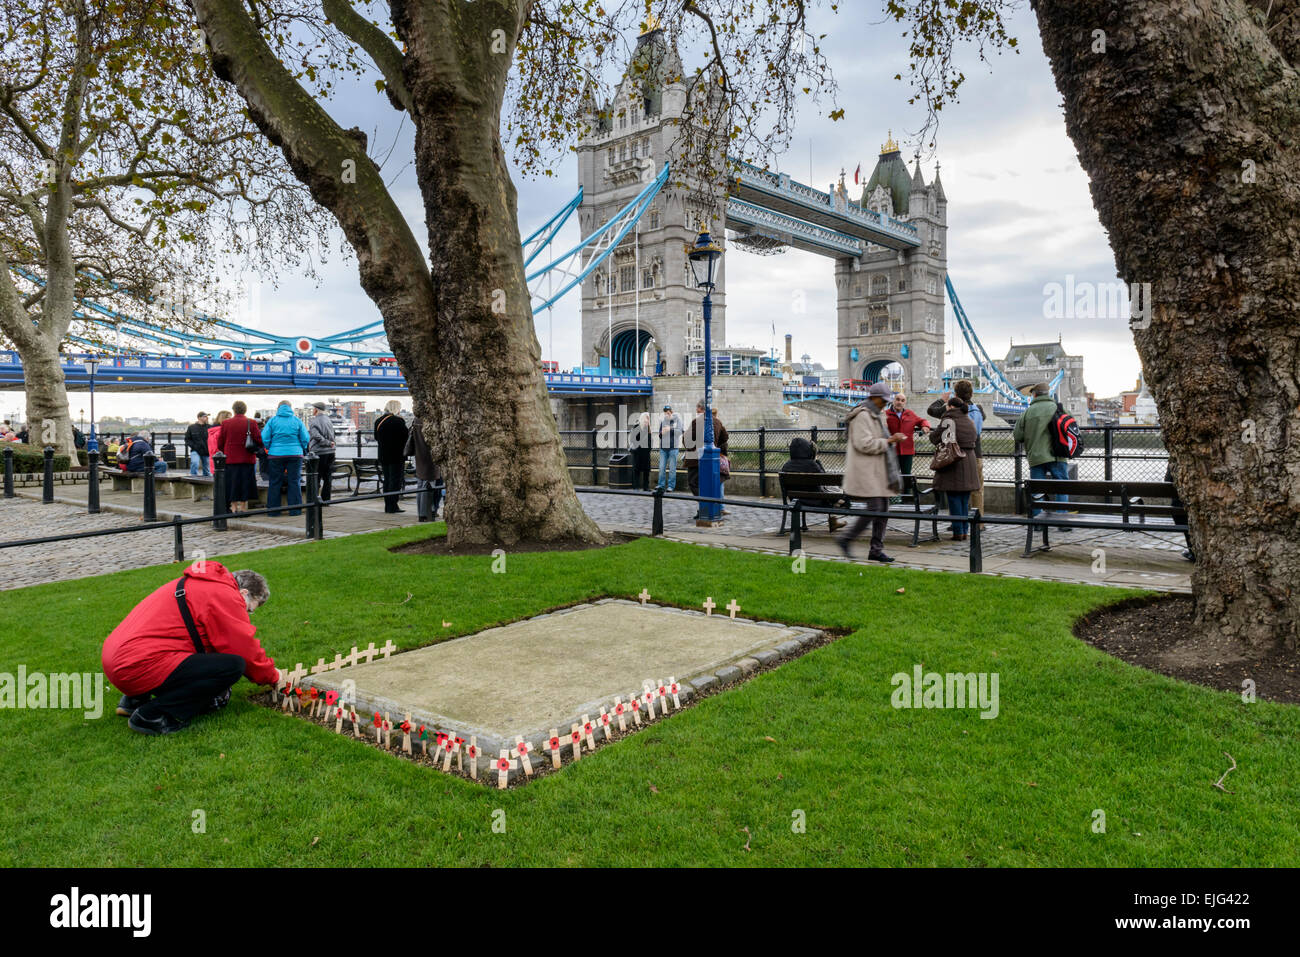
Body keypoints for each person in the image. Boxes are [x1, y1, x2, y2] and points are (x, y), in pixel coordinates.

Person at [101, 562, 278, 735]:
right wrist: (272, 675)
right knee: (233, 666)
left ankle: (134, 700)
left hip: (117, 658)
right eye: (249, 609)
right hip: (135, 665)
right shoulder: (225, 595)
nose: (246, 614)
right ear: (244, 593)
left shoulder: (201, 584)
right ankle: (152, 715)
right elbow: (243, 649)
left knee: (198, 659)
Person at [836, 381, 904, 562]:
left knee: (883, 509)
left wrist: (889, 440)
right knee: (875, 508)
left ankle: (876, 550)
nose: (885, 404)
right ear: (873, 398)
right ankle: (846, 539)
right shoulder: (863, 416)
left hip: (878, 471)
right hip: (866, 472)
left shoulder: (876, 415)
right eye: (883, 401)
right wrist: (889, 441)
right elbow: (864, 443)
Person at [1012, 382, 1070, 527]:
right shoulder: (1059, 409)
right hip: (1058, 455)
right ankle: (1062, 522)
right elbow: (1071, 428)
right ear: (1048, 394)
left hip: (1036, 457)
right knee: (1062, 488)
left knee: (1037, 491)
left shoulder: (1027, 412)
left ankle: (1038, 523)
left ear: (1034, 395)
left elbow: (1017, 435)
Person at [928, 396, 980, 540]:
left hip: (954, 461)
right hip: (969, 460)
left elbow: (936, 438)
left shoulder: (949, 420)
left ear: (950, 407)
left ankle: (958, 532)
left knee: (954, 498)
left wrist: (931, 433)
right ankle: (964, 530)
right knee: (964, 498)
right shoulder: (969, 420)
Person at [779, 436, 844, 531]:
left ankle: (833, 519)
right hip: (817, 501)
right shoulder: (812, 465)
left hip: (796, 501)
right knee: (833, 494)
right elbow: (825, 479)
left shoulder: (786, 466)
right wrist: (817, 461)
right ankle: (834, 518)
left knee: (829, 493)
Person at [261, 400, 310, 517]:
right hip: (295, 454)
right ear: (290, 408)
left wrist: (270, 447)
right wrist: (302, 447)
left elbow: (265, 437)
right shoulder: (297, 420)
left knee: (274, 482)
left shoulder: (272, 421)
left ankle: (273, 511)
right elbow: (305, 437)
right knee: (294, 481)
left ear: (278, 408)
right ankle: (295, 510)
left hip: (276, 454)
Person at [217, 400, 261, 513]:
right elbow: (258, 440)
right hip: (247, 458)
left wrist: (226, 451)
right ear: (245, 410)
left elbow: (220, 442)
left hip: (230, 458)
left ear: (234, 410)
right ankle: (243, 508)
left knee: (232, 483)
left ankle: (233, 508)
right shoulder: (251, 422)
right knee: (245, 483)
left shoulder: (226, 423)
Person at [952, 380, 985, 512]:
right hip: (976, 453)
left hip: (956, 454)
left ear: (956, 394)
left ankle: (958, 519)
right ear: (971, 393)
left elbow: (931, 410)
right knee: (977, 488)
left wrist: (943, 400)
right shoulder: (979, 409)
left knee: (957, 488)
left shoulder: (953, 409)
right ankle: (979, 522)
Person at [404, 416, 443, 521]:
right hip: (430, 457)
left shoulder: (416, 420)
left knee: (421, 485)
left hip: (420, 455)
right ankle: (427, 514)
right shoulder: (430, 419)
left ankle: (422, 513)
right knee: (429, 485)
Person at [374, 400, 409, 513]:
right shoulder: (398, 421)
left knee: (387, 480)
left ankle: (387, 506)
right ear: (396, 408)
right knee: (395, 481)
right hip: (396, 456)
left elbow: (376, 437)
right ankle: (393, 506)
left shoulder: (378, 421)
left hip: (383, 455)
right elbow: (406, 437)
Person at [886, 393, 930, 475]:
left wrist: (925, 426)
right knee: (891, 477)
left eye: (902, 400)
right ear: (893, 401)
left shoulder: (910, 414)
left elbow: (922, 421)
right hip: (892, 452)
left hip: (907, 451)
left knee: (907, 476)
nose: (900, 402)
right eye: (897, 399)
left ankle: (907, 488)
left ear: (905, 403)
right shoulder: (886, 414)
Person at [307, 402, 337, 501]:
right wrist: (331, 443)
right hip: (331, 452)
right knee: (328, 477)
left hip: (319, 452)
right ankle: (326, 499)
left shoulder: (313, 421)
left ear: (316, 409)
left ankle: (314, 500)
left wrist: (327, 443)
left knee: (316, 477)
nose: (312, 410)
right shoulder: (328, 420)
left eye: (313, 409)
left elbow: (316, 436)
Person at [655, 404, 681, 492]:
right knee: (661, 467)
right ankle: (661, 485)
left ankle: (671, 486)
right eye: (665, 412)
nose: (667, 413)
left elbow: (680, 432)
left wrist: (670, 429)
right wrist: (662, 433)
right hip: (663, 448)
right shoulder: (663, 421)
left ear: (671, 412)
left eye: (668, 412)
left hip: (673, 448)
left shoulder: (677, 420)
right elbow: (659, 435)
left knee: (672, 468)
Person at [631, 411, 653, 491]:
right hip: (638, 452)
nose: (648, 419)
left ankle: (646, 487)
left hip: (646, 453)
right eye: (646, 417)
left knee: (646, 470)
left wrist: (649, 448)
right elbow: (633, 439)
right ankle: (635, 486)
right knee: (636, 470)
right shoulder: (637, 427)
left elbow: (650, 440)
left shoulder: (648, 428)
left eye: (648, 418)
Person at [185, 412, 211, 477]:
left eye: (207, 417)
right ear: (199, 417)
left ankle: (207, 481)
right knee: (194, 463)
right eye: (205, 416)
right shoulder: (191, 427)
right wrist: (194, 446)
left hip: (206, 450)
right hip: (195, 450)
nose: (206, 418)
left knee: (207, 468)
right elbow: (187, 439)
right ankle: (193, 478)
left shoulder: (210, 427)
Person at [252, 412, 270, 481]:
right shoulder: (265, 429)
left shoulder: (252, 423)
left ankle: (266, 482)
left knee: (263, 470)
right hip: (270, 452)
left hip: (262, 451)